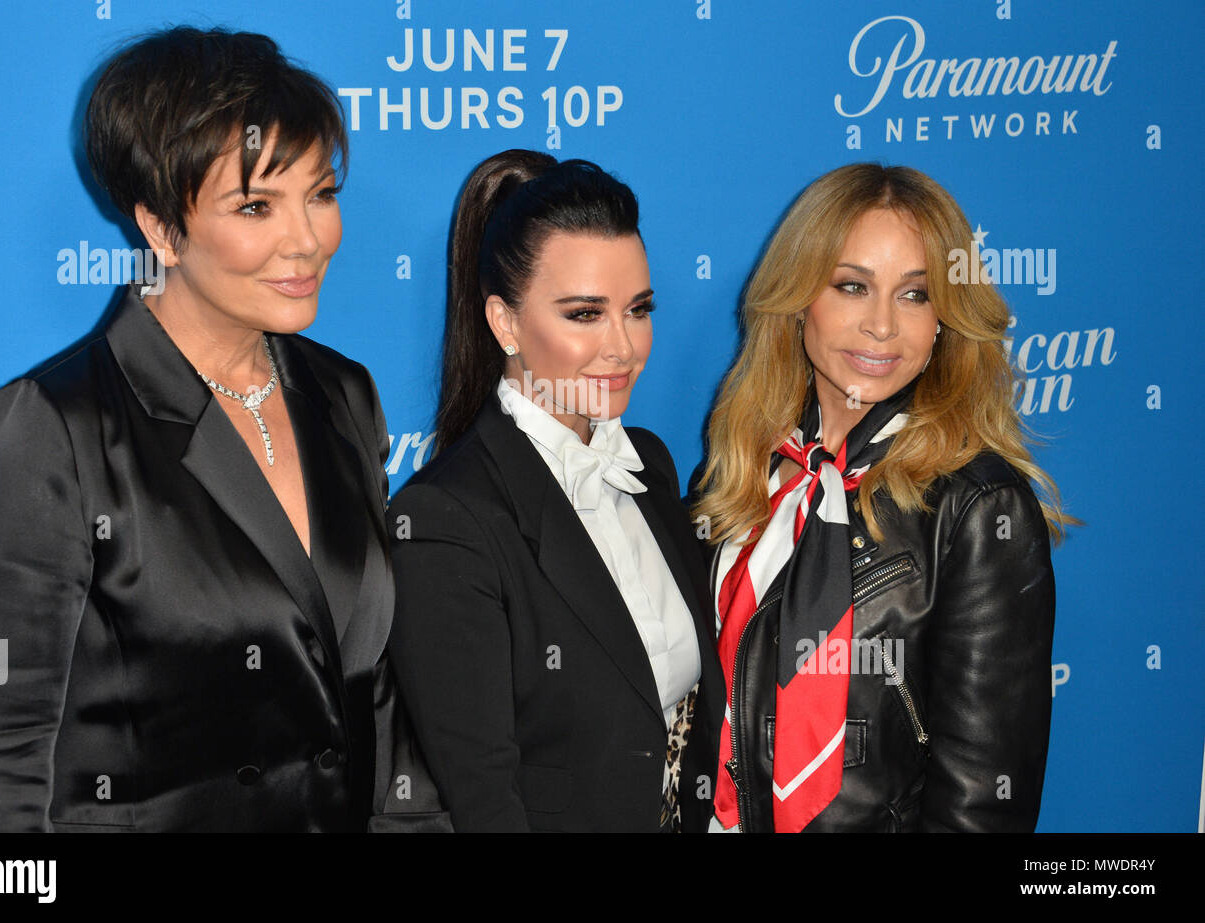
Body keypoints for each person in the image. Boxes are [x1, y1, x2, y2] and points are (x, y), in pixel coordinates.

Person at [0, 27, 394, 831]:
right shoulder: (51, 430)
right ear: (157, 226)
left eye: (320, 193)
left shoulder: (342, 393)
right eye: (256, 205)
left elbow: (377, 700)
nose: (308, 240)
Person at [693, 163, 1068, 833]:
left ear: (946, 320)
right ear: (799, 297)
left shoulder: (981, 509)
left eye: (916, 295)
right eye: (852, 286)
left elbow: (983, 807)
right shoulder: (744, 470)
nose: (882, 326)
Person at [386, 150, 724, 832]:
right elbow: (485, 800)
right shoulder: (445, 520)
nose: (623, 347)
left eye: (638, 309)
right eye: (584, 314)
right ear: (506, 322)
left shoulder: (650, 463)